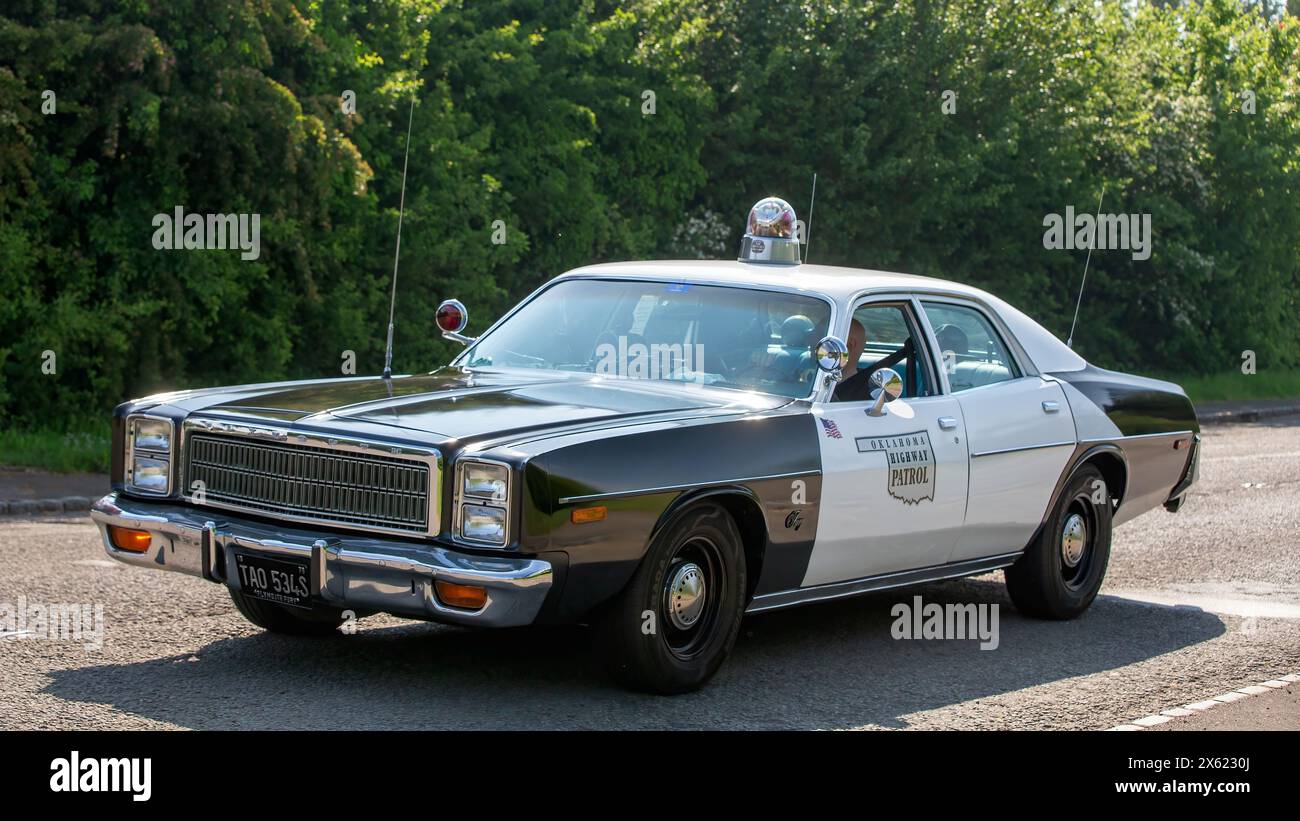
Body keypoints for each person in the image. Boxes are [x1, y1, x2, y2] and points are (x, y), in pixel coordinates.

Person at [832, 318, 913, 402]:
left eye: (824, 344)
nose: (817, 348)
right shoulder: (818, 382)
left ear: (849, 346)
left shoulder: (875, 394)